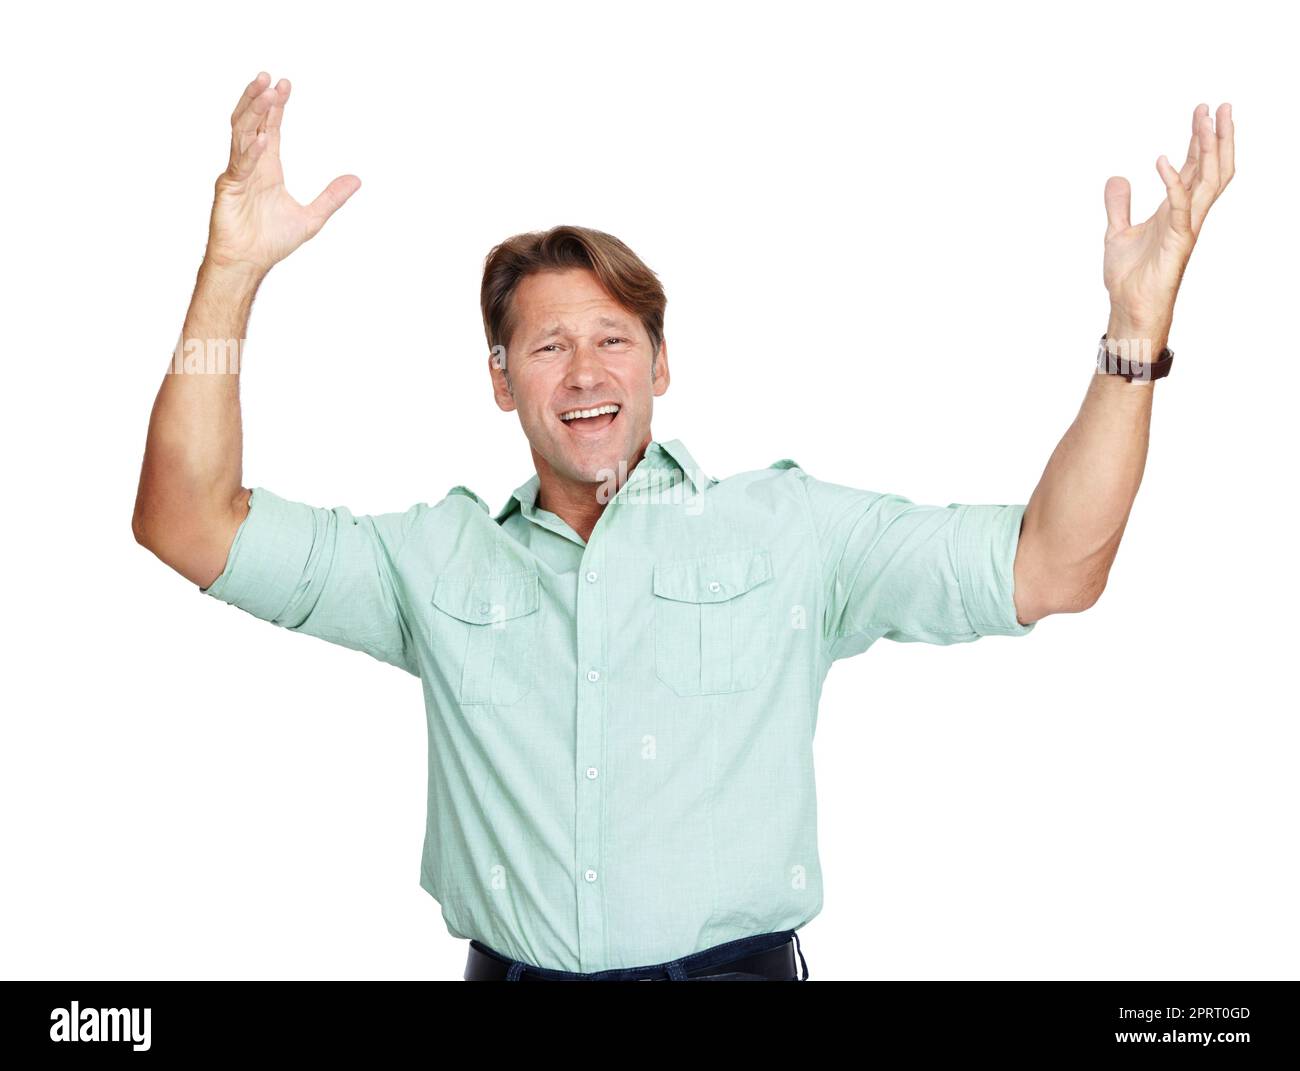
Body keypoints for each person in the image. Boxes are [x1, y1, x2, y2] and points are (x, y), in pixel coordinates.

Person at [131, 72, 1235, 981]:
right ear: (501, 382)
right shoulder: (429, 563)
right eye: (547, 346)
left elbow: (1052, 566)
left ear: (660, 366)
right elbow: (186, 524)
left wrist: (1133, 331)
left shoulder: (788, 531)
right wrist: (230, 270)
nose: (584, 372)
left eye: (613, 340)